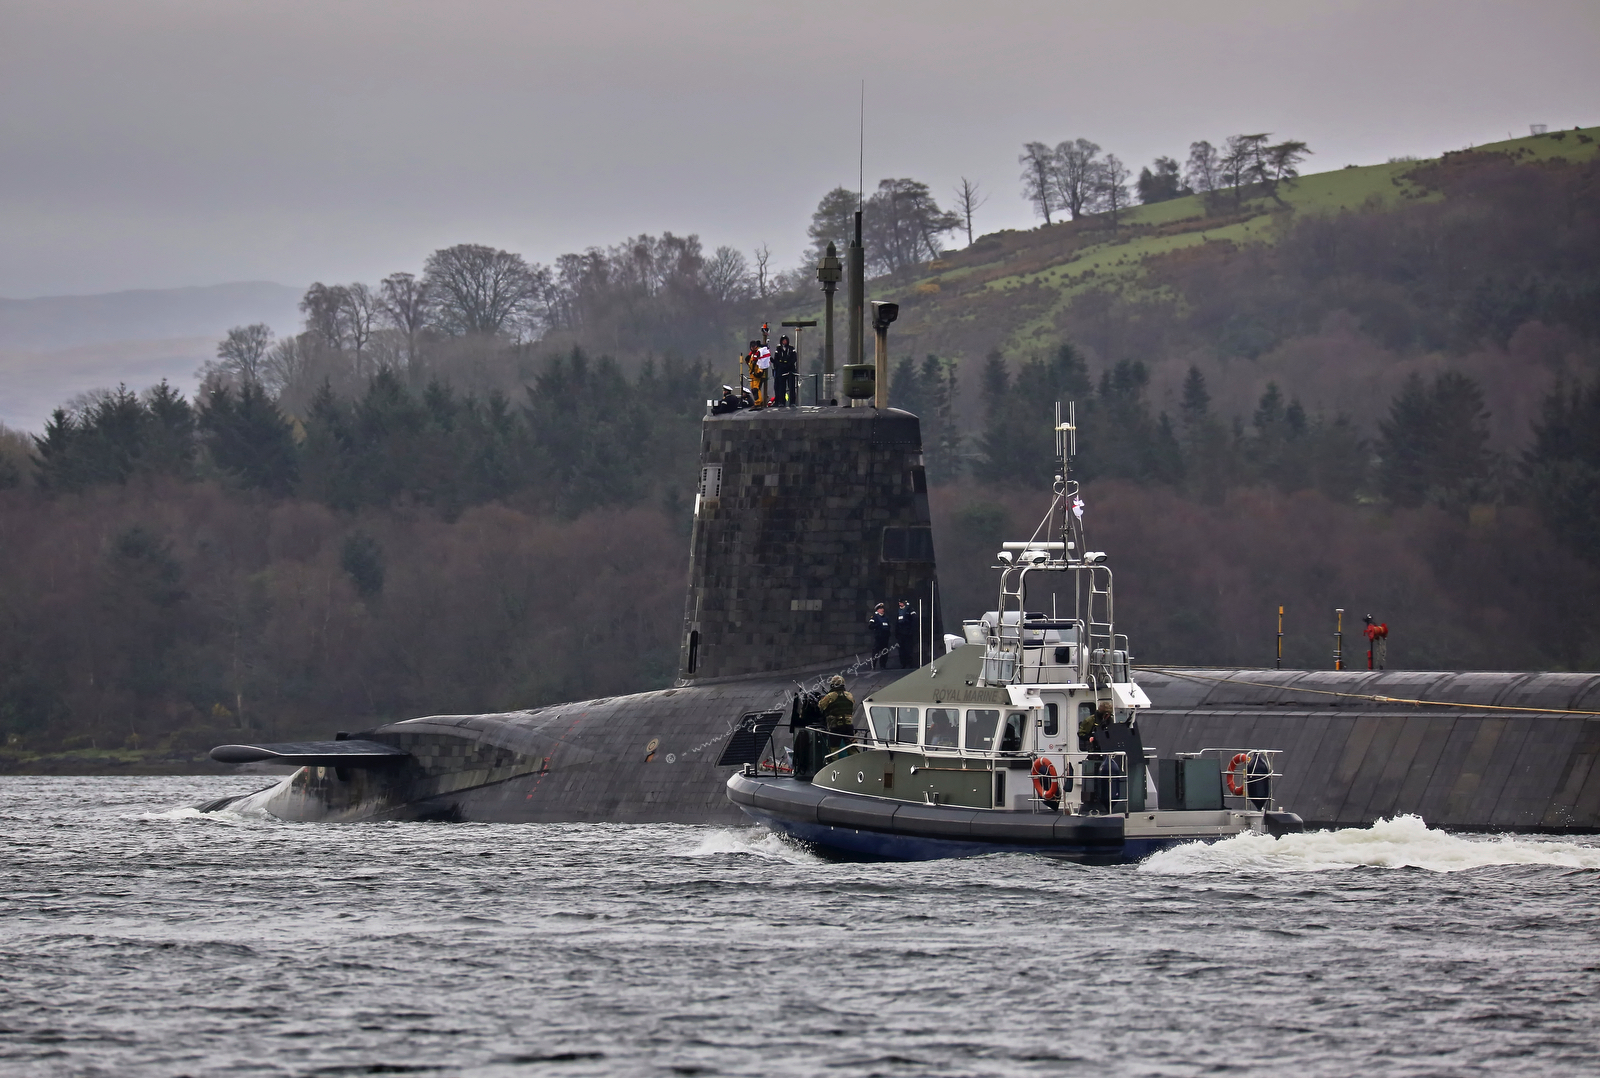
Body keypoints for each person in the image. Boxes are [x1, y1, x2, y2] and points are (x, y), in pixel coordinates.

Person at [816, 674, 856, 758]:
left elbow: (821, 705)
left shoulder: (830, 696)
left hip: (835, 727)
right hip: (849, 726)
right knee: (853, 749)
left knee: (834, 751)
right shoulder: (849, 695)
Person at [772, 334, 799, 407]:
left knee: (791, 387)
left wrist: (788, 365)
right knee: (781, 387)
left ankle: (792, 402)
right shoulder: (778, 350)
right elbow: (776, 359)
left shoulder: (791, 349)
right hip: (781, 370)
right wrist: (781, 365)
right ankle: (781, 402)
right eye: (783, 341)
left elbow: (794, 358)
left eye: (785, 340)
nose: (784, 342)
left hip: (790, 370)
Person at [895, 599, 920, 668]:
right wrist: (897, 633)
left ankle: (910, 663)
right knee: (901, 650)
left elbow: (914, 619)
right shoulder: (898, 612)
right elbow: (896, 623)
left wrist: (911, 631)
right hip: (901, 633)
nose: (901, 604)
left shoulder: (909, 610)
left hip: (908, 633)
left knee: (909, 649)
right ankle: (903, 663)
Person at [867, 603, 893, 668]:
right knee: (875, 652)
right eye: (881, 609)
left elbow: (888, 626)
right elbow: (870, 626)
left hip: (885, 638)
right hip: (878, 638)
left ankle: (883, 665)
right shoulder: (874, 617)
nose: (882, 610)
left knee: (884, 652)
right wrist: (878, 626)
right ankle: (873, 665)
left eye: (883, 608)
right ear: (877, 610)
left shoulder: (886, 618)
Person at [743, 340, 767, 408]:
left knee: (756, 389)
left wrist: (760, 372)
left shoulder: (759, 353)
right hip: (753, 375)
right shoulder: (752, 354)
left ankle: (758, 402)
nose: (753, 348)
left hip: (758, 374)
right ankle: (757, 402)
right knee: (753, 389)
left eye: (754, 346)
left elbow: (761, 362)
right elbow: (751, 364)